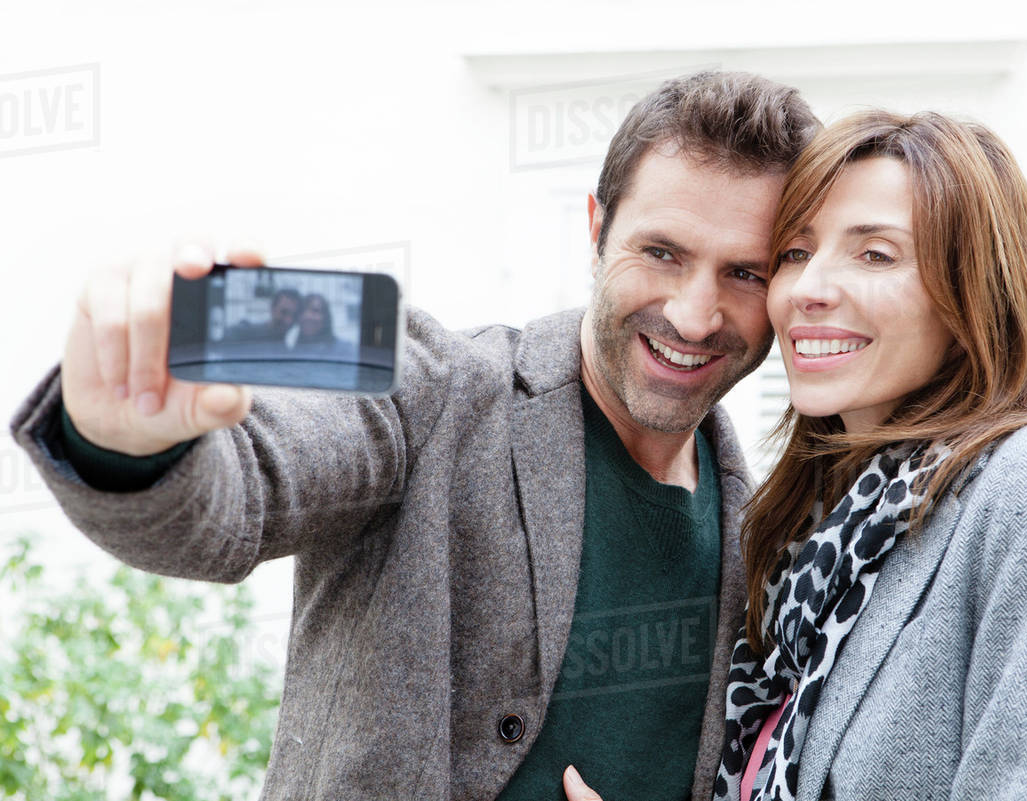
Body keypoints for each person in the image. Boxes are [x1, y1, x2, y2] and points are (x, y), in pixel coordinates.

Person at [8, 71, 822, 800]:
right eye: (662, 252)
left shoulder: (769, 539)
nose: (694, 315)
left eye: (743, 273)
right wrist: (124, 441)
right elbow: (241, 494)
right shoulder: (436, 391)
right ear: (596, 228)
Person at [699, 111, 1027, 801]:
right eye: (796, 252)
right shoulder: (804, 545)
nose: (808, 288)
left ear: (972, 294)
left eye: (875, 254)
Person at [225, 286, 302, 344]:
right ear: (272, 309)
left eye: (294, 315)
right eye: (284, 312)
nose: (288, 320)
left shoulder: (286, 346)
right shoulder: (244, 333)